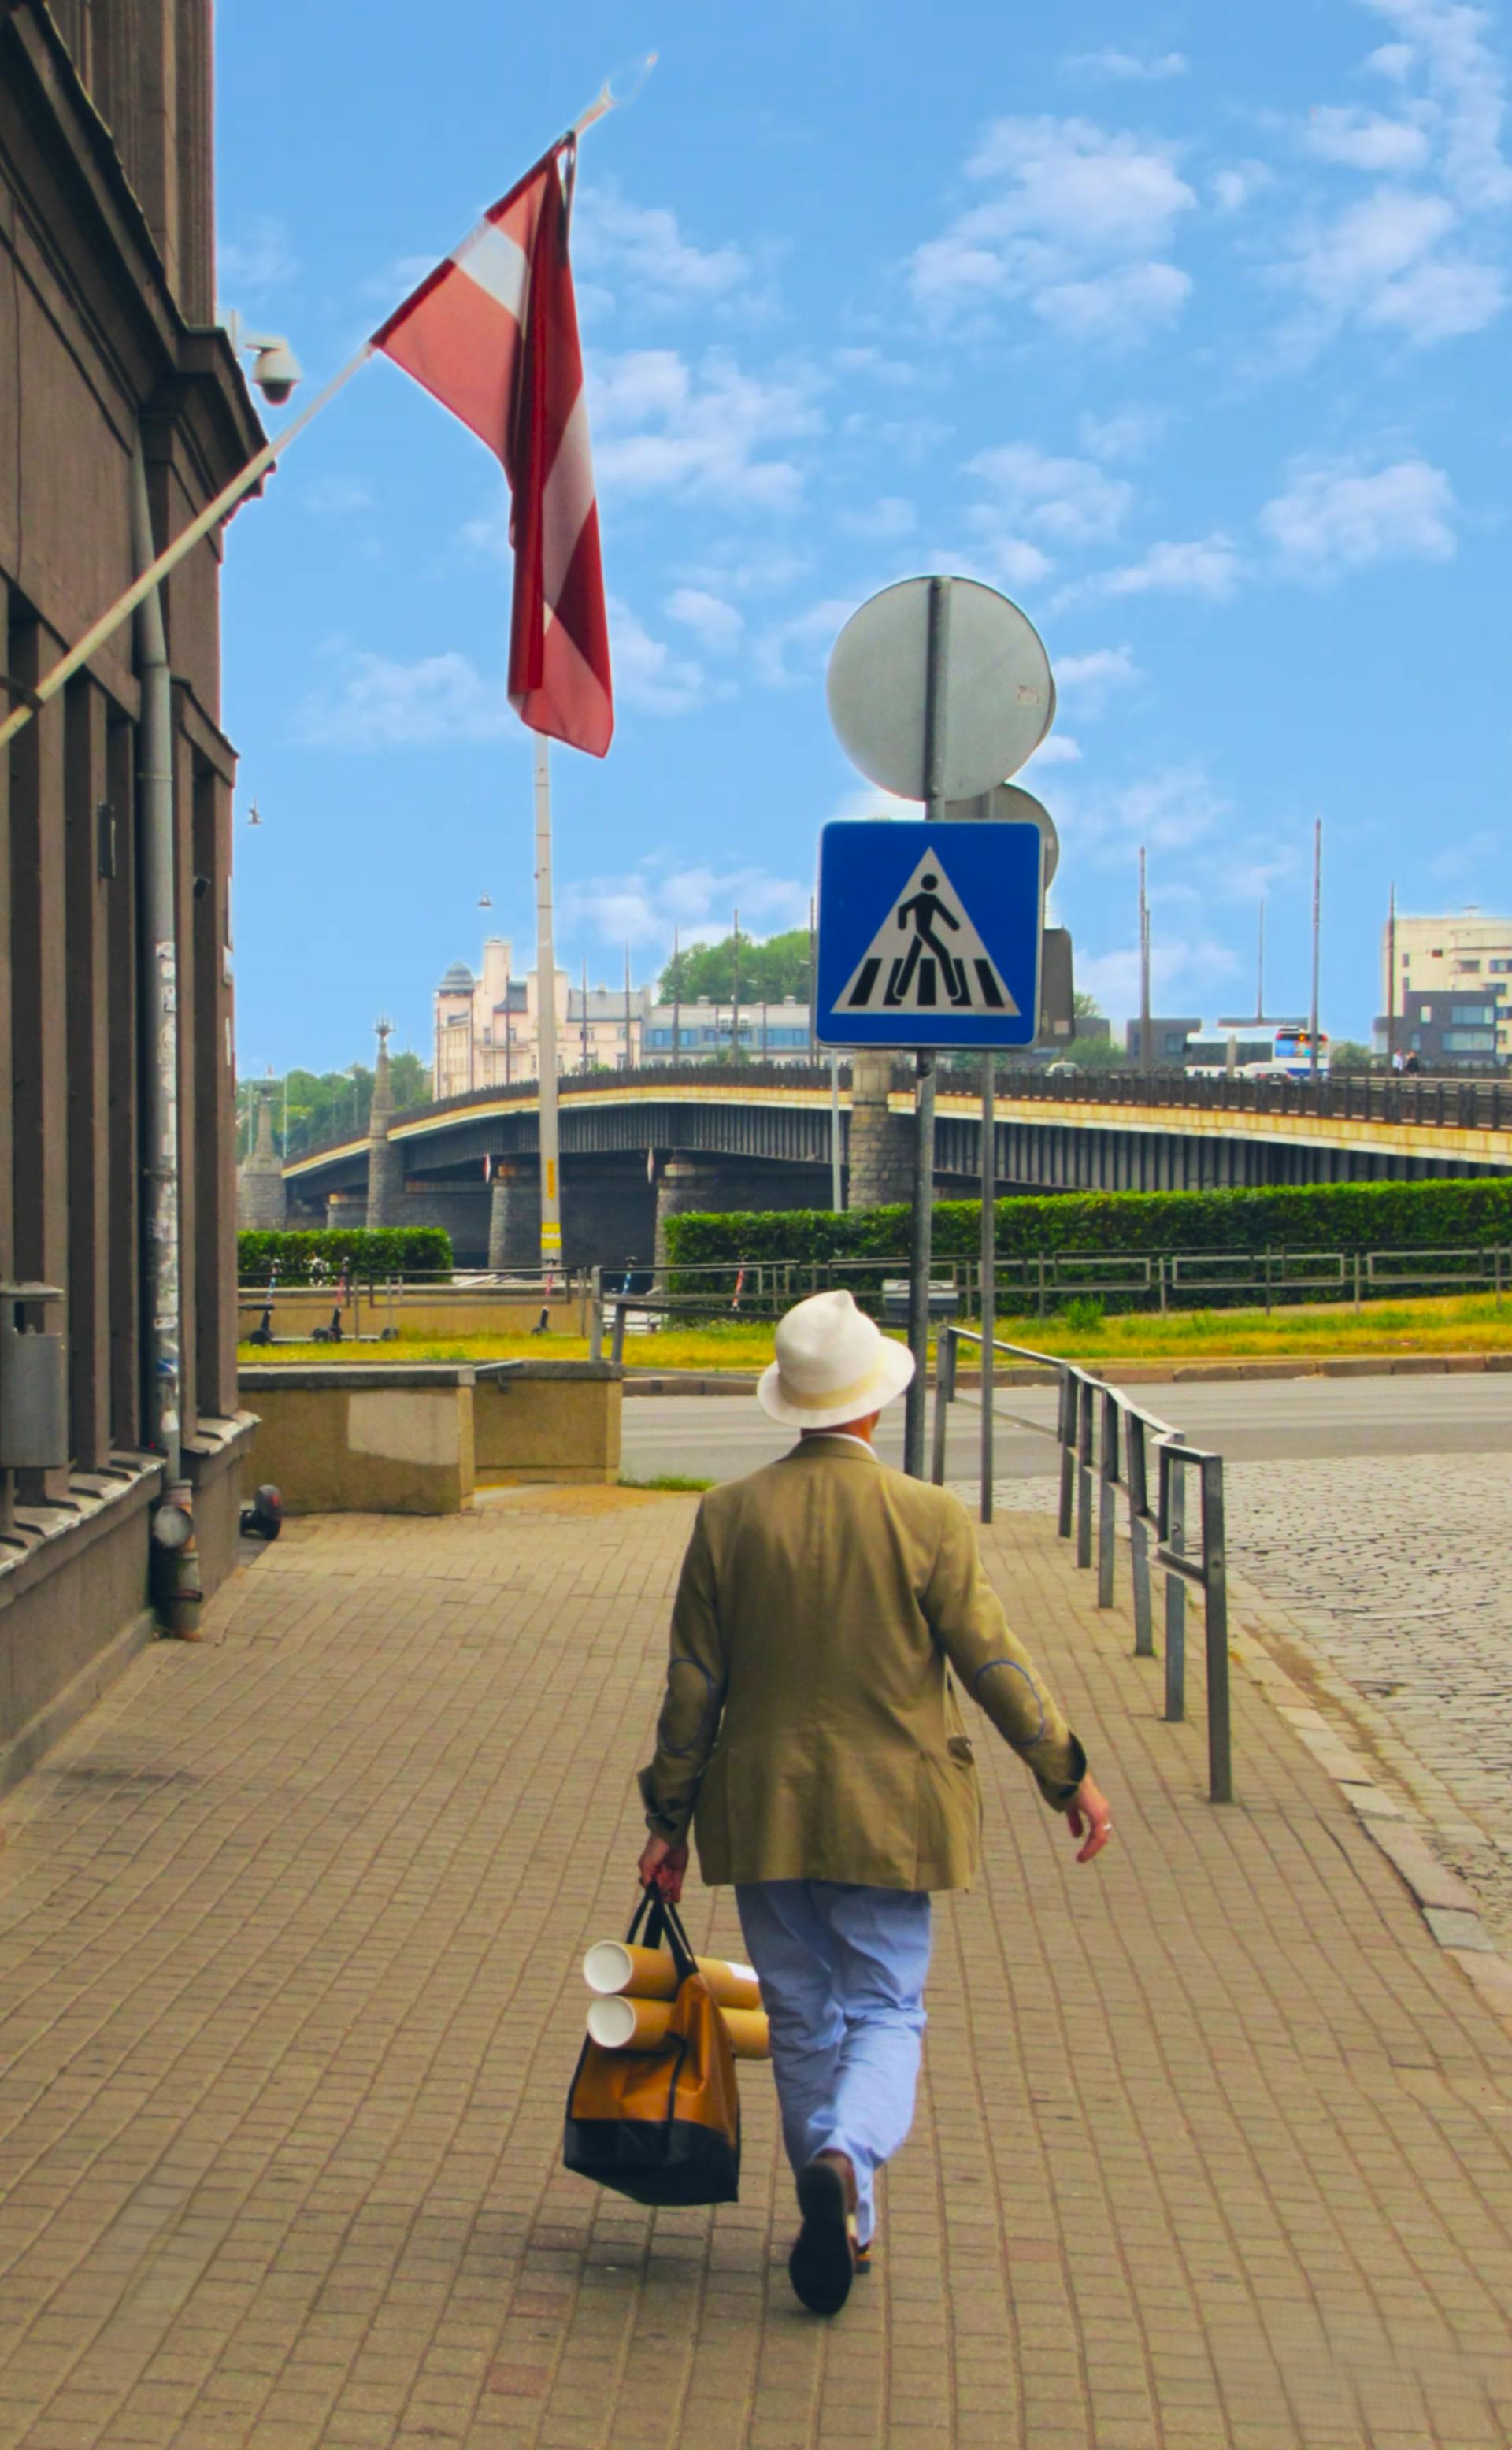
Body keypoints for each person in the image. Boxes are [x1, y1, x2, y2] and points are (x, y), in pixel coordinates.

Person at [635, 1288, 1112, 2317]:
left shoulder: (726, 1518)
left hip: (761, 1810)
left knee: (802, 2018)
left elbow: (692, 1688)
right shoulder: (929, 1517)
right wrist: (1063, 1771)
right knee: (889, 2007)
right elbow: (991, 1662)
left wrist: (666, 1822)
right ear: (872, 1407)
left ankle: (843, 2221)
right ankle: (847, 2167)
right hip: (895, 1815)